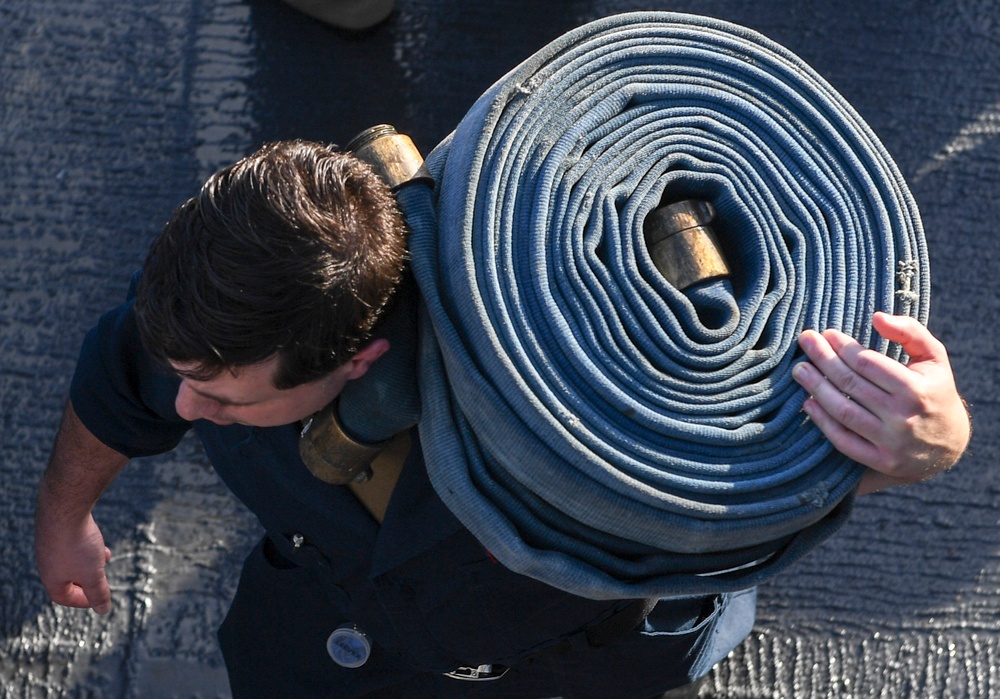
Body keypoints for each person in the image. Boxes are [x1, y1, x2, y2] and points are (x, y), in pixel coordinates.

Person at [34, 140, 971, 698]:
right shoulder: (217, 319)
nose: (190, 409)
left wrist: (934, 443)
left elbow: (756, 475)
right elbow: (120, 380)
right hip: (329, 633)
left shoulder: (612, 417)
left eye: (226, 399)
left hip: (585, 654)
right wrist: (64, 518)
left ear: (358, 362)